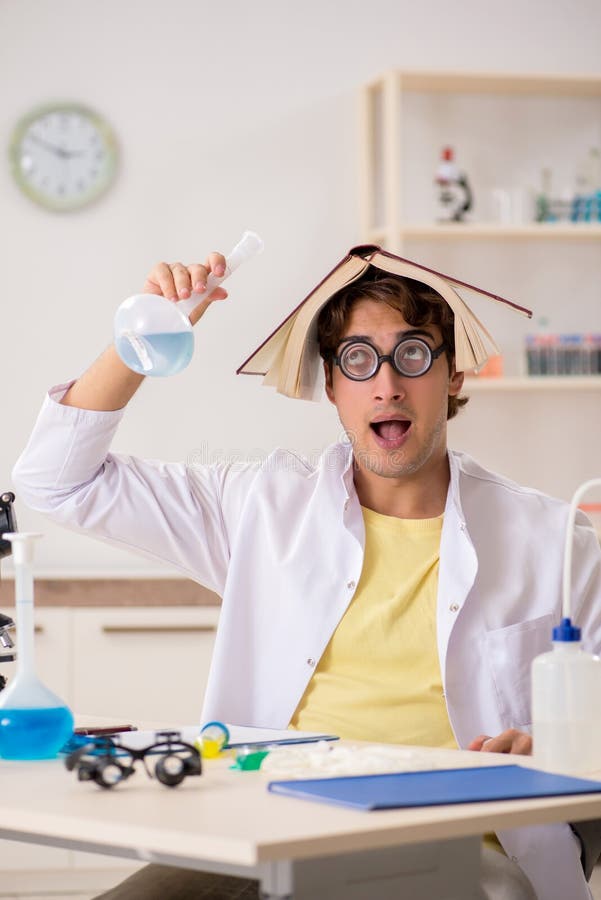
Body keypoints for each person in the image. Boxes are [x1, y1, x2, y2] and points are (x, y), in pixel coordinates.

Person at [12, 249, 601, 900]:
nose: (386, 385)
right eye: (357, 360)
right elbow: (54, 481)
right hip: (265, 827)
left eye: (412, 354)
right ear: (331, 386)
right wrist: (139, 339)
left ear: (453, 375)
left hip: (462, 842)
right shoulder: (261, 508)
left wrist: (549, 742)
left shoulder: (556, 542)